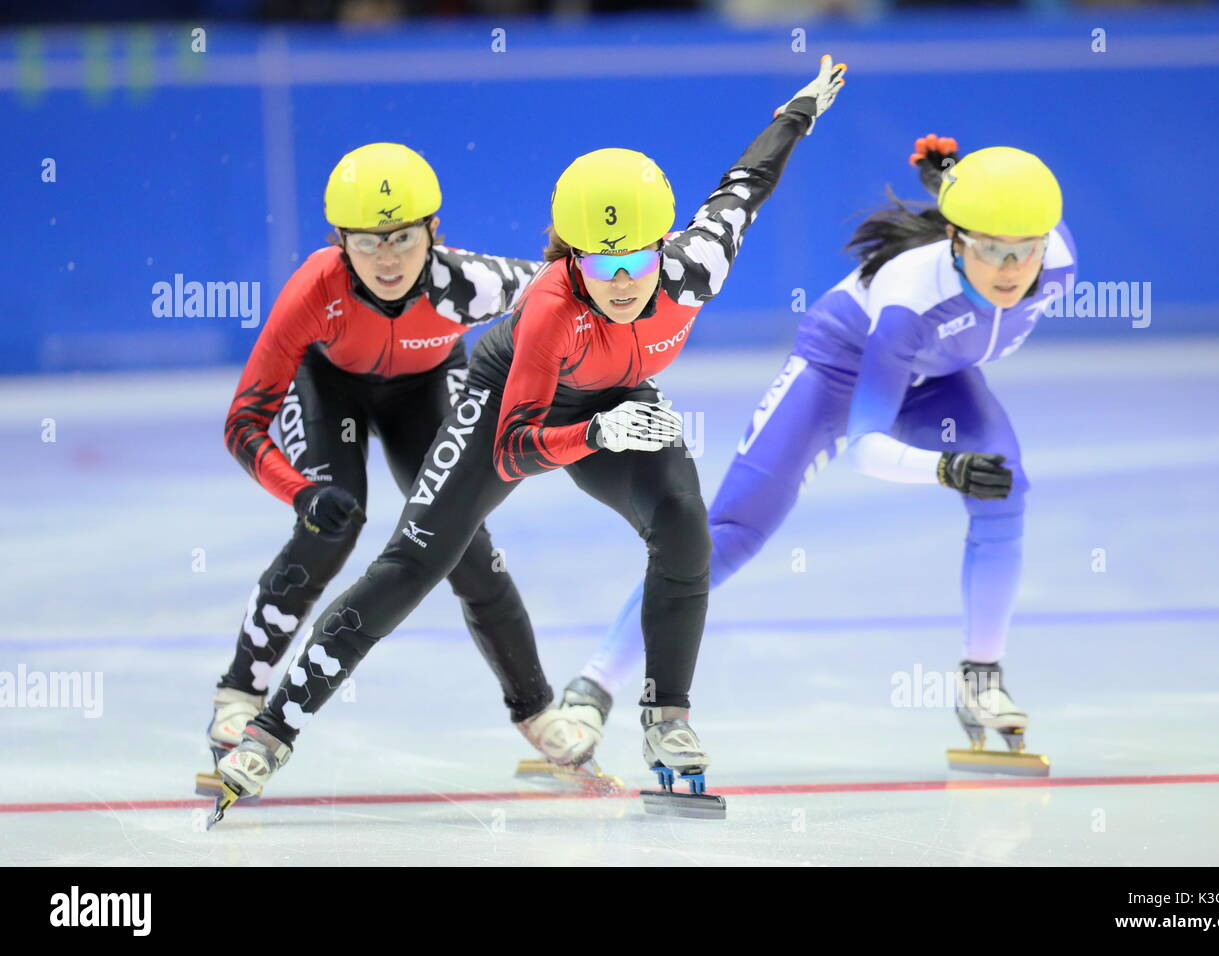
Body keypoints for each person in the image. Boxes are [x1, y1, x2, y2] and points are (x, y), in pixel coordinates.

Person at [207, 56, 848, 818]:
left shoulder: (695, 268)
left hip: (615, 401)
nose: (621, 279)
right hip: (512, 406)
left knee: (682, 524)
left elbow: (743, 188)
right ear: (571, 257)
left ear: (665, 244)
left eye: (637, 257)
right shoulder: (548, 309)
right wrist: (599, 426)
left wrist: (796, 114)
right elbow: (516, 447)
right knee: (416, 559)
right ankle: (272, 726)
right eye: (600, 261)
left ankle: (666, 719)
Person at [577, 135, 1077, 769]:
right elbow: (866, 447)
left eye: (1023, 251)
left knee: (1007, 491)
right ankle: (592, 687)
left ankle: (982, 680)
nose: (1010, 270)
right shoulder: (907, 297)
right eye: (990, 251)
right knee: (726, 534)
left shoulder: (1057, 264)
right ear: (955, 241)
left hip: (936, 380)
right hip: (837, 371)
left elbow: (1001, 227)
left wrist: (956, 185)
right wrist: (947, 468)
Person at [206, 142, 556, 782]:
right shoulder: (315, 289)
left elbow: (576, 292)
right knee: (330, 527)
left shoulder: (472, 284)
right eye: (366, 241)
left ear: (434, 230)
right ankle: (241, 692)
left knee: (464, 543)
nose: (386, 257)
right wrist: (300, 493)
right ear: (339, 241)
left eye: (400, 236)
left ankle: (535, 710)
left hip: (424, 392)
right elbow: (241, 424)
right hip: (329, 388)